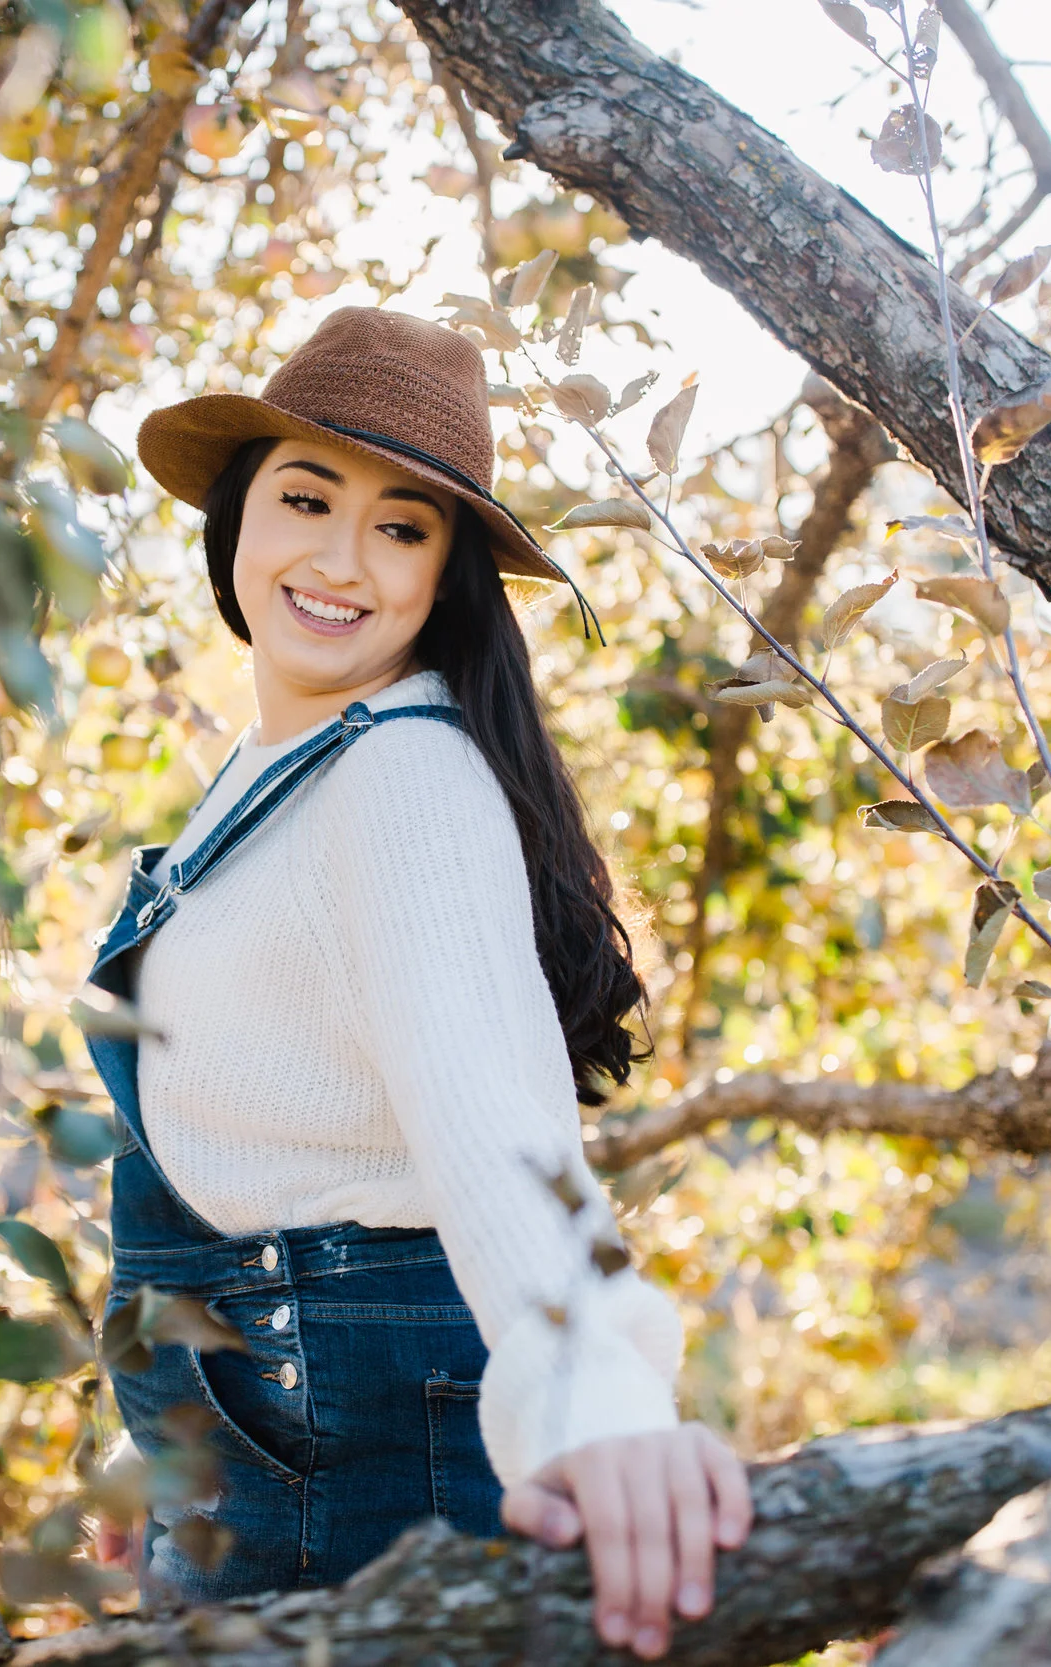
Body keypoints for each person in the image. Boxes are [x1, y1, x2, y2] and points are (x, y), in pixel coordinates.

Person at [82, 307, 749, 1661]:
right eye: (307, 498)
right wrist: (160, 1440)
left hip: (360, 1428)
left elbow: (498, 1128)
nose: (341, 560)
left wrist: (601, 1405)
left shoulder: (402, 772)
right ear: (236, 517)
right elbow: (243, 1136)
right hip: (264, 1425)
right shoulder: (287, 761)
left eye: (401, 526)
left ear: (444, 573)